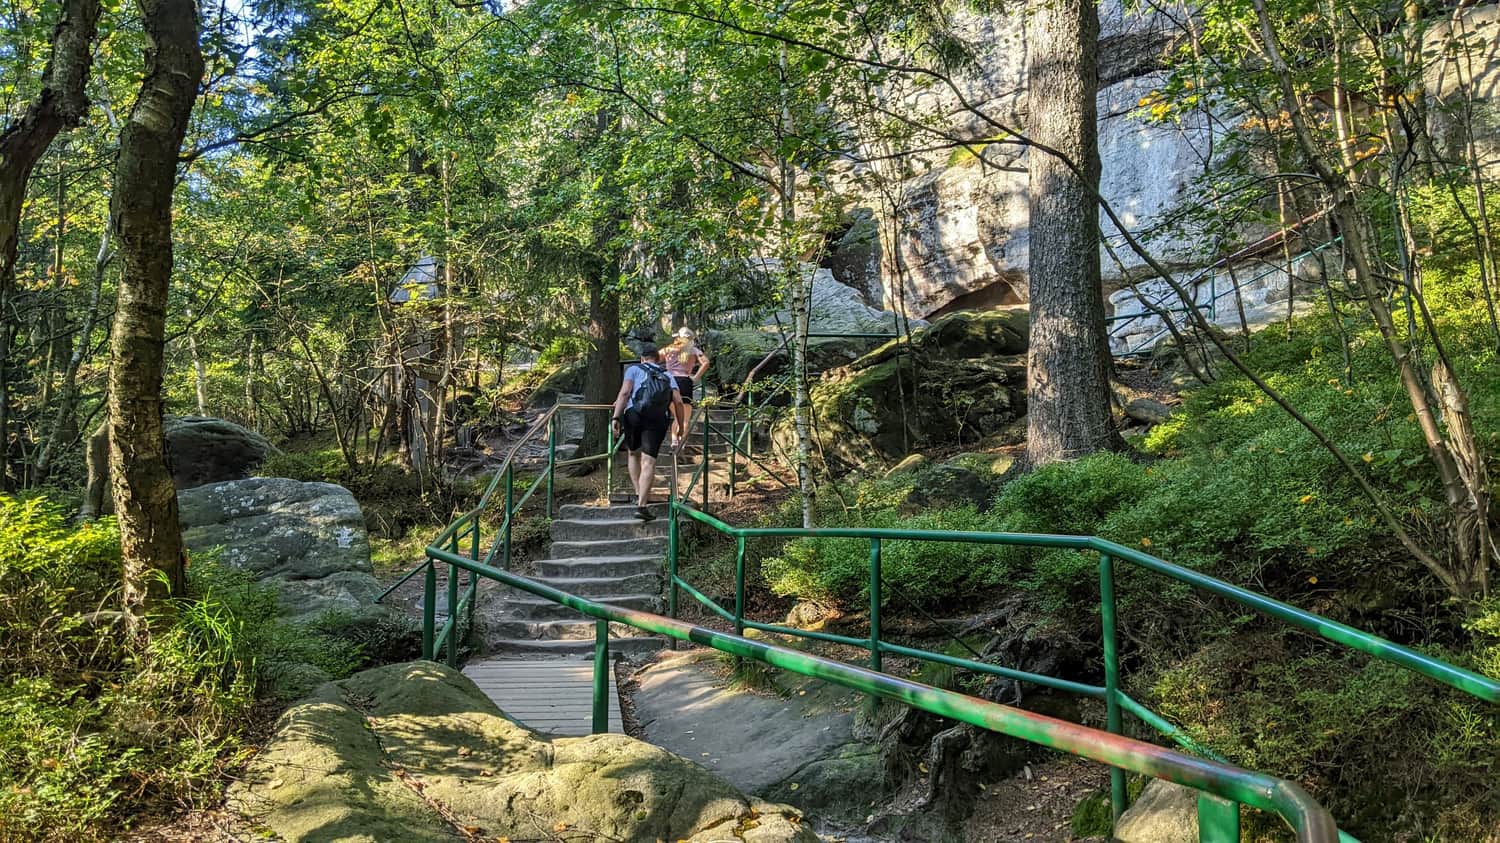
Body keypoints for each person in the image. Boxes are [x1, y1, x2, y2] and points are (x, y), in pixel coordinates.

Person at [612, 345, 686, 521]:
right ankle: (642, 505)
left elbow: (624, 394)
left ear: (642, 358)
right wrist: (680, 425)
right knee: (649, 462)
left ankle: (638, 493)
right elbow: (678, 401)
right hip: (657, 419)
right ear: (657, 359)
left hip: (634, 415)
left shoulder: (634, 369)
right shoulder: (667, 375)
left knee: (633, 454)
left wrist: (615, 417)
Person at [663, 327, 709, 447]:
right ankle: (681, 444)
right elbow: (706, 362)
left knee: (676, 416)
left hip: (669, 382)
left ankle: (674, 440)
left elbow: (653, 358)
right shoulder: (693, 350)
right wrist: (696, 377)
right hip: (684, 382)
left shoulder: (669, 349)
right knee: (685, 419)